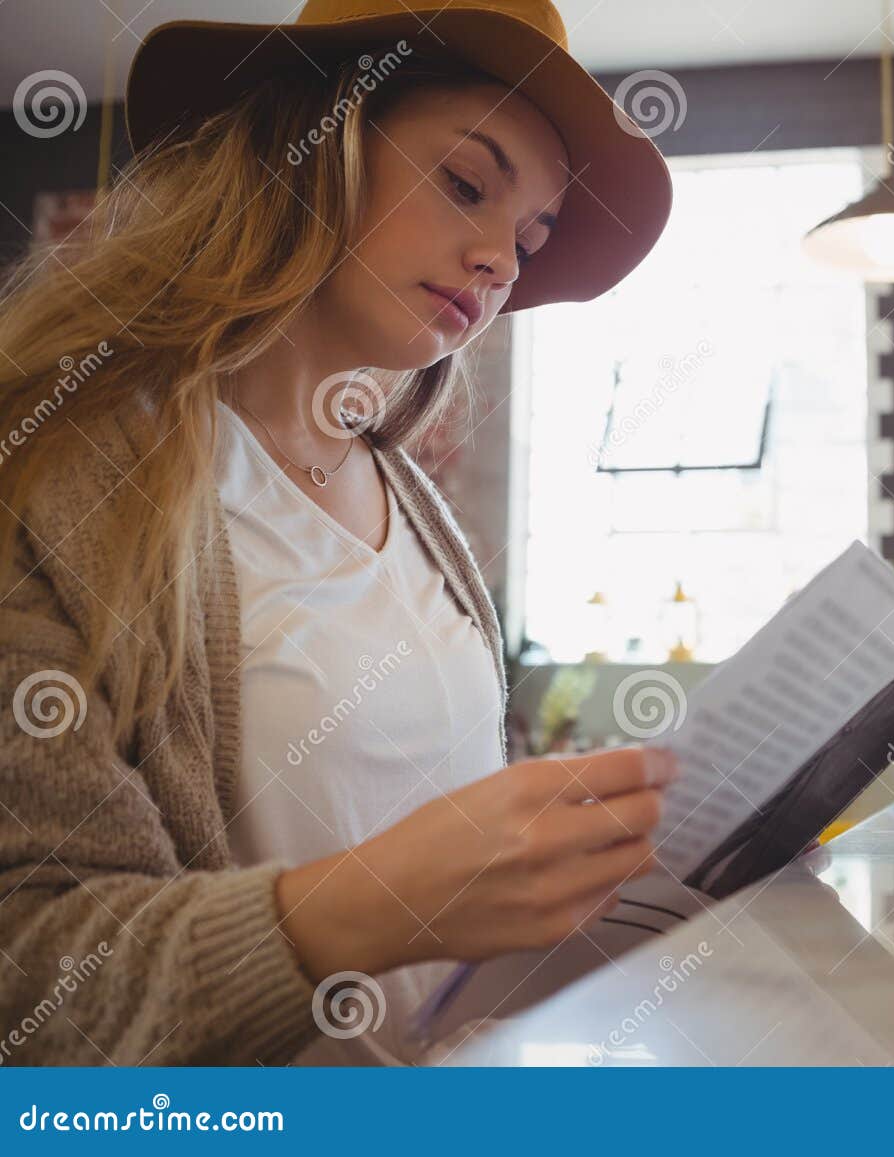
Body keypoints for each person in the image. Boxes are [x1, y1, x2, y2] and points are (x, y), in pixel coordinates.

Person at [0, 0, 676, 1065]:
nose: (502, 258)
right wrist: (363, 904)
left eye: (532, 235)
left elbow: (440, 922)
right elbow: (32, 966)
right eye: (466, 183)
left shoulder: (415, 509)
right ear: (311, 145)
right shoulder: (56, 477)